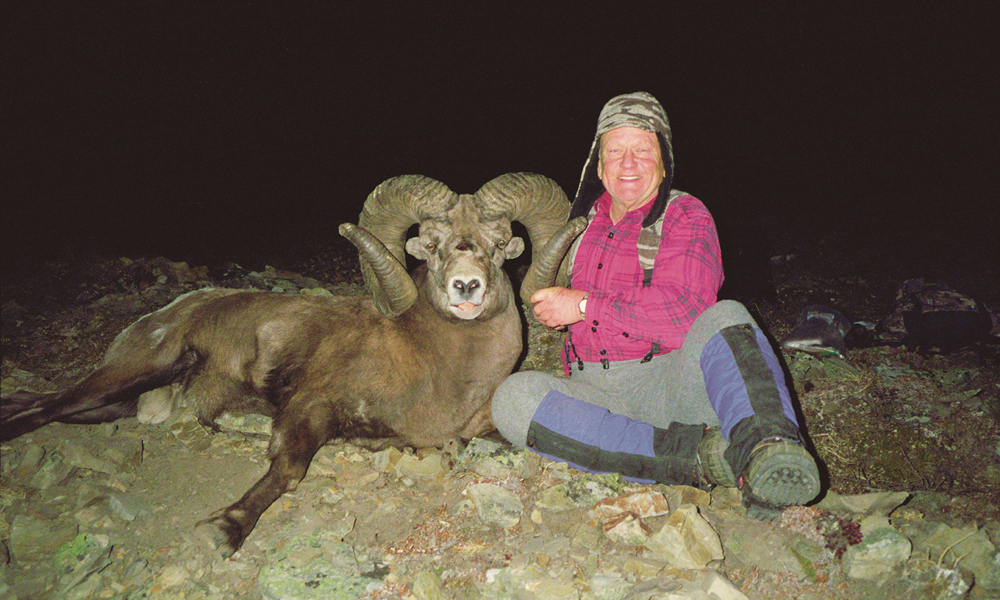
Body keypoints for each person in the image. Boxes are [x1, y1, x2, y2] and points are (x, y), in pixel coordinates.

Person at [492, 91, 821, 516]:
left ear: (663, 160)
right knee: (513, 400)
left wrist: (584, 306)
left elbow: (685, 311)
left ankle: (768, 449)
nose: (628, 163)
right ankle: (705, 458)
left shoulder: (686, 214)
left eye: (642, 150)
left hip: (673, 385)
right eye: (615, 151)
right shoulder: (579, 225)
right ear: (598, 164)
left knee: (726, 315)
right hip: (596, 394)